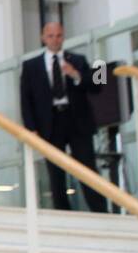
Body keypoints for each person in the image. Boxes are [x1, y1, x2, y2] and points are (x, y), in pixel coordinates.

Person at [19, 20, 108, 212]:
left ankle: (101, 212)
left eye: (58, 35)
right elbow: (26, 100)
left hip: (77, 120)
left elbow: (97, 86)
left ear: (63, 36)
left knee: (87, 168)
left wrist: (75, 74)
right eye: (50, 36)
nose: (55, 40)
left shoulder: (78, 60)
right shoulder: (30, 66)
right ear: (43, 38)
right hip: (50, 123)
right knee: (55, 173)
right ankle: (62, 214)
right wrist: (31, 128)